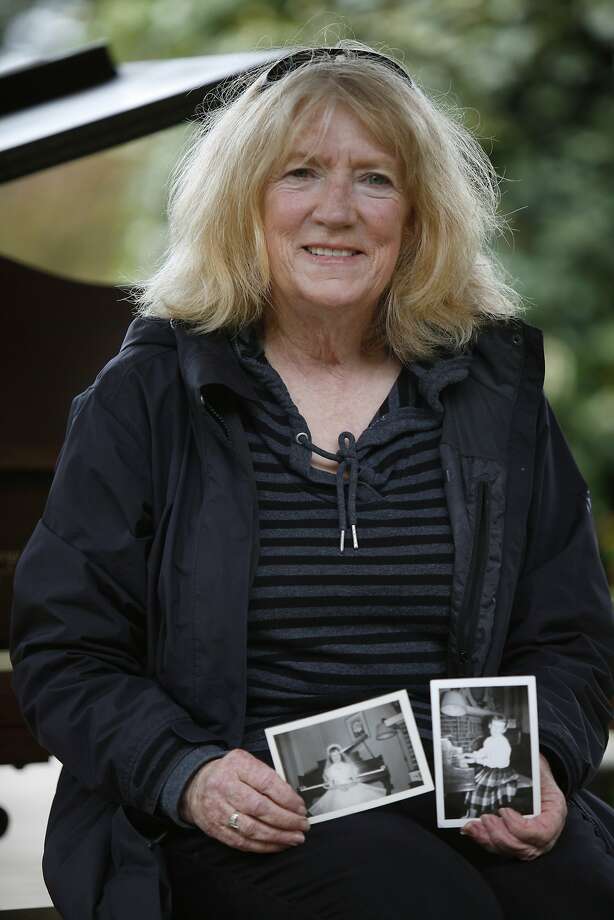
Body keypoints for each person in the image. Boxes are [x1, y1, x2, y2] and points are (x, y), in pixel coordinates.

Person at [9, 41, 614, 920]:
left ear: (418, 215)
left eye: (376, 179)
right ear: (243, 204)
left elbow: (569, 635)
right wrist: (187, 772)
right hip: (246, 812)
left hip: (463, 792)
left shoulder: (496, 395)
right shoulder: (146, 396)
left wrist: (548, 757)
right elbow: (68, 653)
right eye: (300, 173)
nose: (338, 210)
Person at [308, 744, 387, 816]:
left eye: (337, 755)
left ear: (341, 755)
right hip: (338, 791)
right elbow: (330, 784)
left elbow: (355, 779)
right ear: (330, 758)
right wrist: (338, 787)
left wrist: (350, 785)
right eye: (333, 756)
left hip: (352, 788)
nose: (336, 757)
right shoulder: (328, 770)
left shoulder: (349, 766)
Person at [463, 716, 519, 818]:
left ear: (504, 729)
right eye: (494, 726)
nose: (496, 730)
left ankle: (472, 816)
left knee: (477, 789)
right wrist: (471, 755)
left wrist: (476, 760)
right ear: (490, 725)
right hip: (490, 768)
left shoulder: (502, 742)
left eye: (499, 727)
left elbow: (494, 762)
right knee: (472, 784)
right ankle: (469, 813)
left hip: (500, 771)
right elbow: (483, 752)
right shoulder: (489, 739)